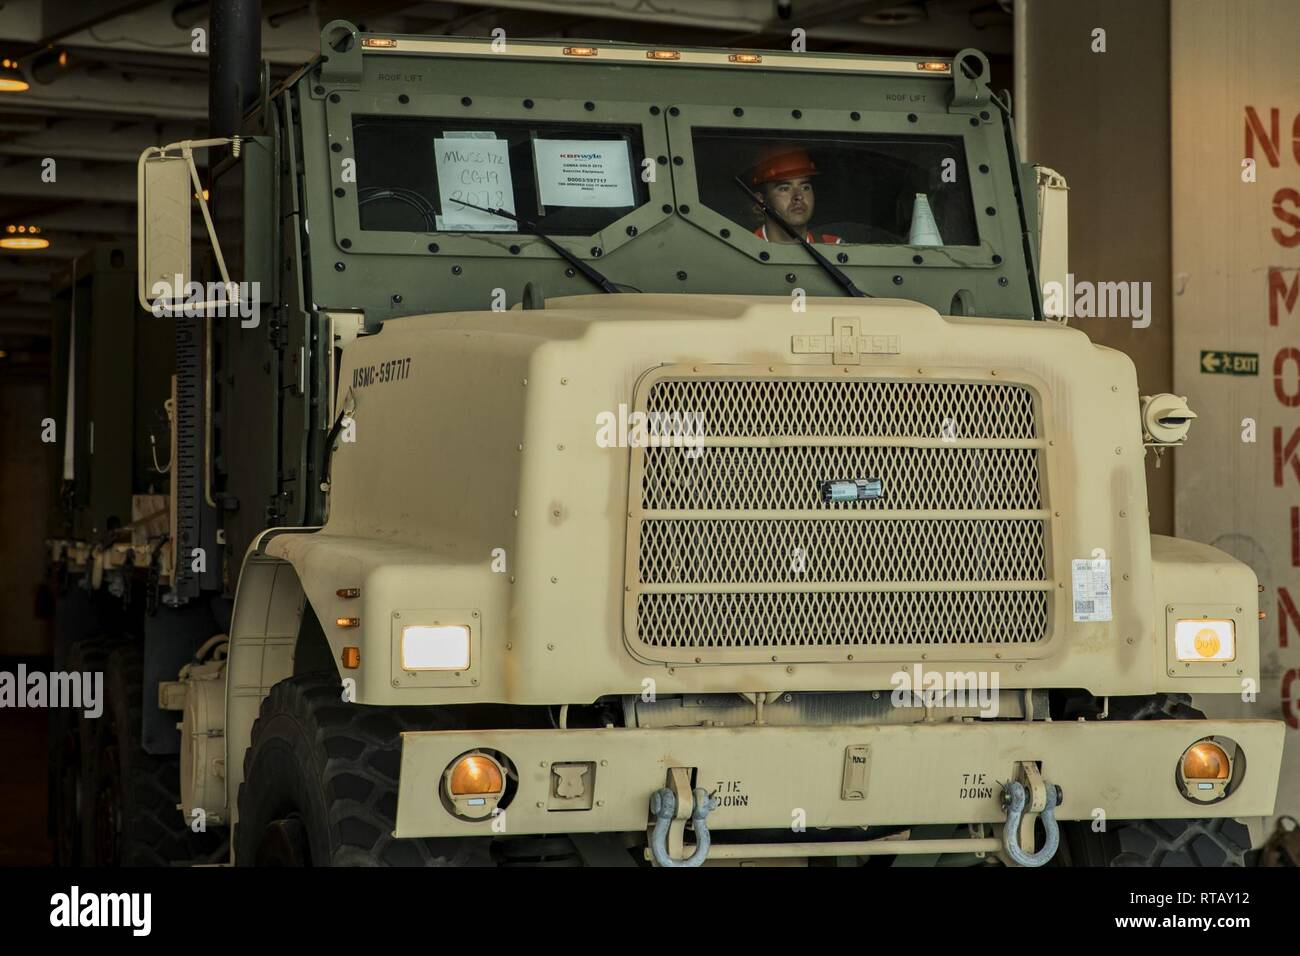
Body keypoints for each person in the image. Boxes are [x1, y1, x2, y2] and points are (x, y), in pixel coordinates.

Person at [748, 146, 842, 244]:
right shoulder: (743, 250)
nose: (798, 196)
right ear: (760, 200)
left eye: (805, 187)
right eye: (785, 188)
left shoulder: (835, 249)